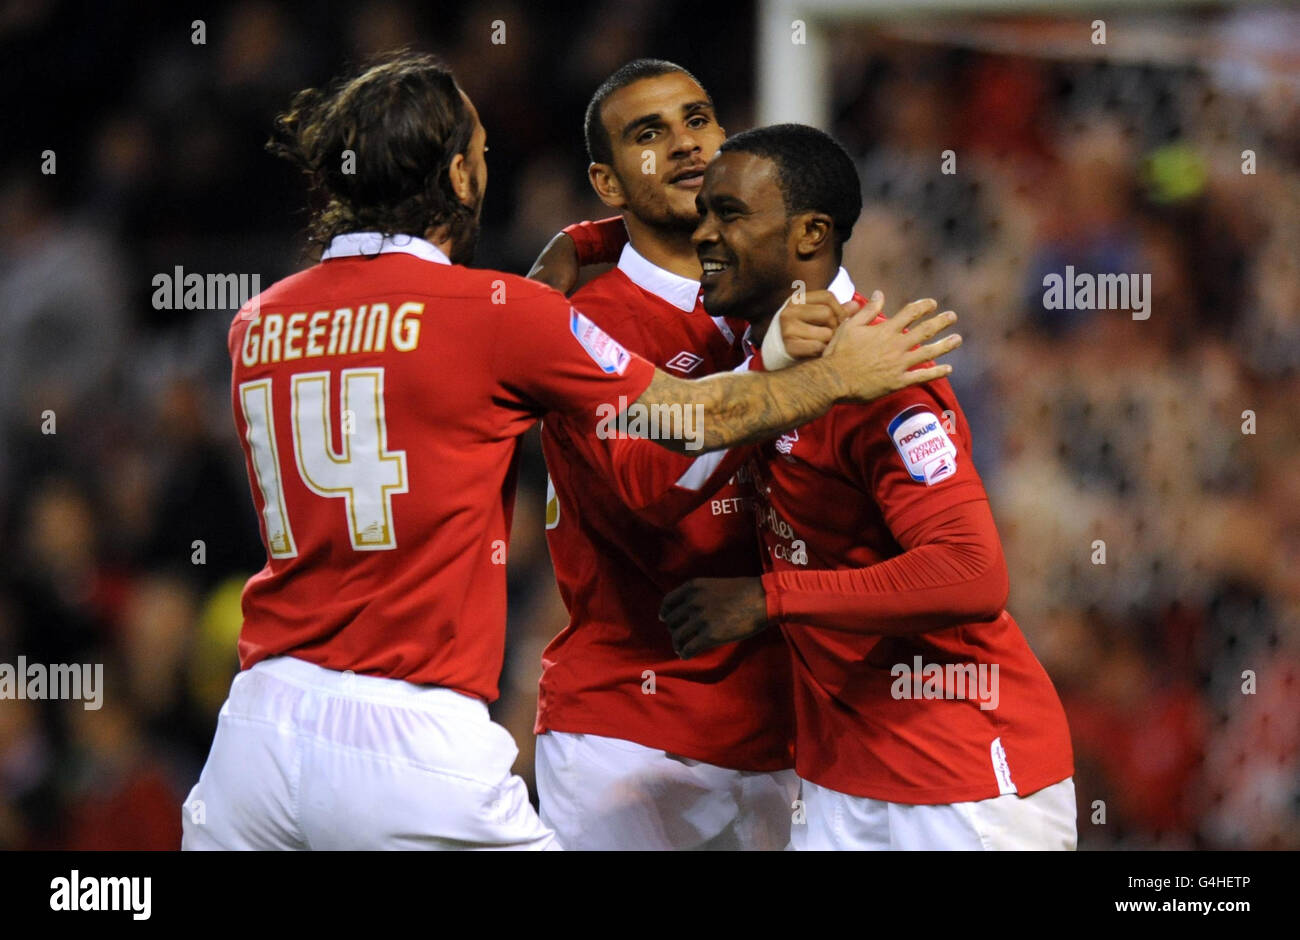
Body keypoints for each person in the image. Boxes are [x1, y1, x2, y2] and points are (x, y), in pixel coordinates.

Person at [181, 53, 962, 850]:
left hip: (257, 726)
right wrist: (833, 375)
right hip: (419, 731)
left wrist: (583, 242)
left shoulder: (257, 323)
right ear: (457, 175)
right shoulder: (509, 313)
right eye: (482, 153)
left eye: (698, 121)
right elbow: (689, 420)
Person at [661, 124, 1076, 850]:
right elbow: (659, 444)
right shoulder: (768, 368)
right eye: (704, 212)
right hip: (839, 784)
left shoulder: (879, 378)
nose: (704, 233)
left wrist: (771, 599)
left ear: (810, 235)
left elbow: (973, 571)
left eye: (730, 214)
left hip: (961, 783)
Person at [530, 59, 884, 850]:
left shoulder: (776, 297)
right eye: (648, 134)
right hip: (633, 737)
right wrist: (767, 372)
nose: (686, 145)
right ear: (608, 181)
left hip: (787, 733)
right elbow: (646, 493)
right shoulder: (587, 324)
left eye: (698, 119)